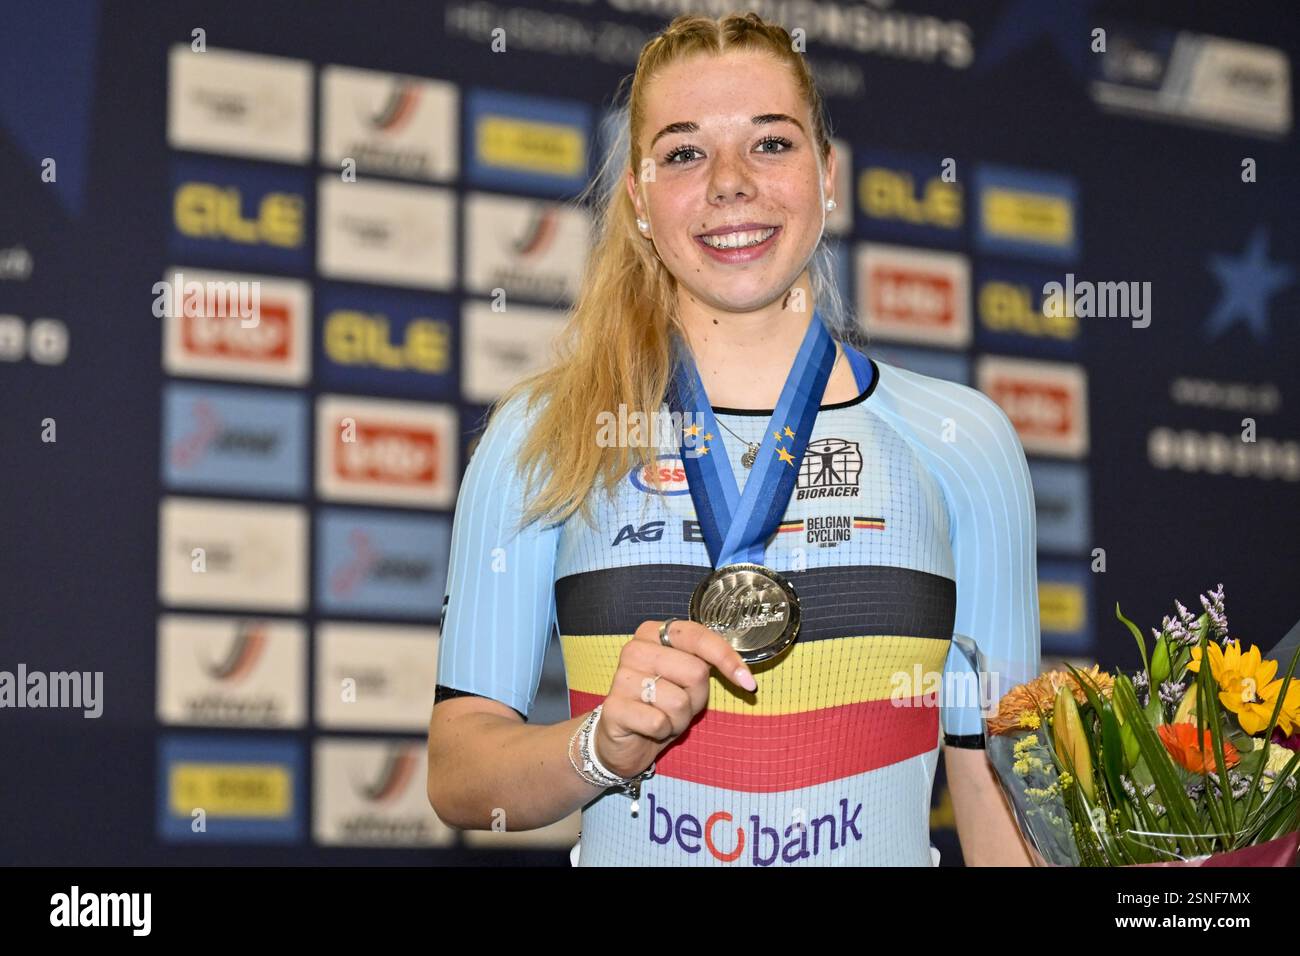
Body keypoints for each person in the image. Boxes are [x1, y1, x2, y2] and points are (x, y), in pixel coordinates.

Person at [427, 11, 1040, 866]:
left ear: (828, 177)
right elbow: (460, 774)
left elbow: (991, 797)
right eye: (683, 151)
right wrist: (598, 747)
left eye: (771, 144)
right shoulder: (542, 436)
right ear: (638, 199)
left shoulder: (961, 441)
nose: (729, 182)